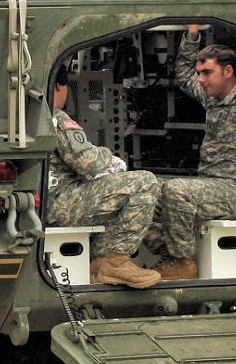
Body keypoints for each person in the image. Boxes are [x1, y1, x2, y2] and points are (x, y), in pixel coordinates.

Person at [154, 26, 236, 280]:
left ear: (228, 71)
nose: (201, 79)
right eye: (200, 73)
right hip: (210, 186)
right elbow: (184, 76)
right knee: (144, 188)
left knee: (177, 192)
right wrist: (191, 35)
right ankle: (171, 253)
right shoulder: (213, 97)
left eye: (207, 72)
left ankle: (181, 263)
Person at [45, 68, 162, 289]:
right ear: (59, 87)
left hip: (46, 204)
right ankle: (117, 263)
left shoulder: (28, 118)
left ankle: (99, 265)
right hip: (62, 204)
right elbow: (87, 162)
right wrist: (109, 158)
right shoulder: (54, 116)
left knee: (113, 199)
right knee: (144, 183)